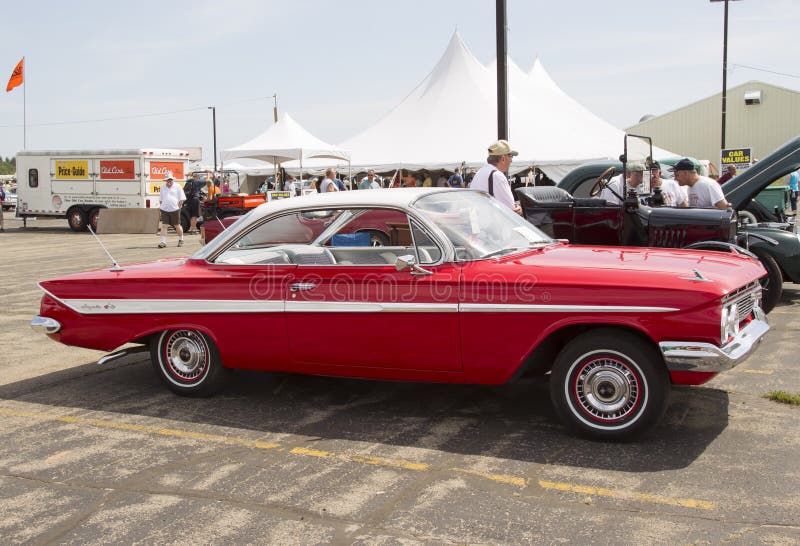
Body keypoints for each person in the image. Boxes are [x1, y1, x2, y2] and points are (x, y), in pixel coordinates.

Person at [469, 139, 522, 213]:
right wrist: (520, 209)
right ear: (503, 159)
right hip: (490, 219)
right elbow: (511, 210)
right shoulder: (497, 176)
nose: (511, 160)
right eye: (511, 156)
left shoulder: (480, 172)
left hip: (480, 218)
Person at [158, 173, 186, 248]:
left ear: (172, 180)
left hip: (175, 209)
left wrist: (179, 205)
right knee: (164, 225)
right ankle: (163, 242)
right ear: (165, 181)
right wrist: (161, 205)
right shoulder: (162, 187)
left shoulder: (178, 186)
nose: (169, 182)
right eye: (167, 180)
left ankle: (181, 239)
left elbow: (182, 198)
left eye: (170, 180)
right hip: (164, 209)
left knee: (177, 225)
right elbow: (161, 198)